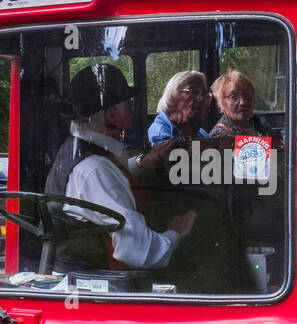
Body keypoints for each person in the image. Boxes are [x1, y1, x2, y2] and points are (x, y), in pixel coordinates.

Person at [46, 64, 195, 270]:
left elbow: (111, 182)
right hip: (104, 287)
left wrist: (143, 163)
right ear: (111, 116)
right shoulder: (95, 169)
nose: (133, 112)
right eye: (129, 105)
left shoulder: (79, 152)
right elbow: (137, 249)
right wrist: (176, 233)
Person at [208, 70, 277, 142]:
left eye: (247, 95)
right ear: (221, 103)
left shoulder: (262, 128)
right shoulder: (219, 136)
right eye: (233, 97)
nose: (243, 102)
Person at [148, 71, 211, 146]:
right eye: (193, 92)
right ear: (173, 96)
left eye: (204, 94)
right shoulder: (160, 135)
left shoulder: (202, 134)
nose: (200, 99)